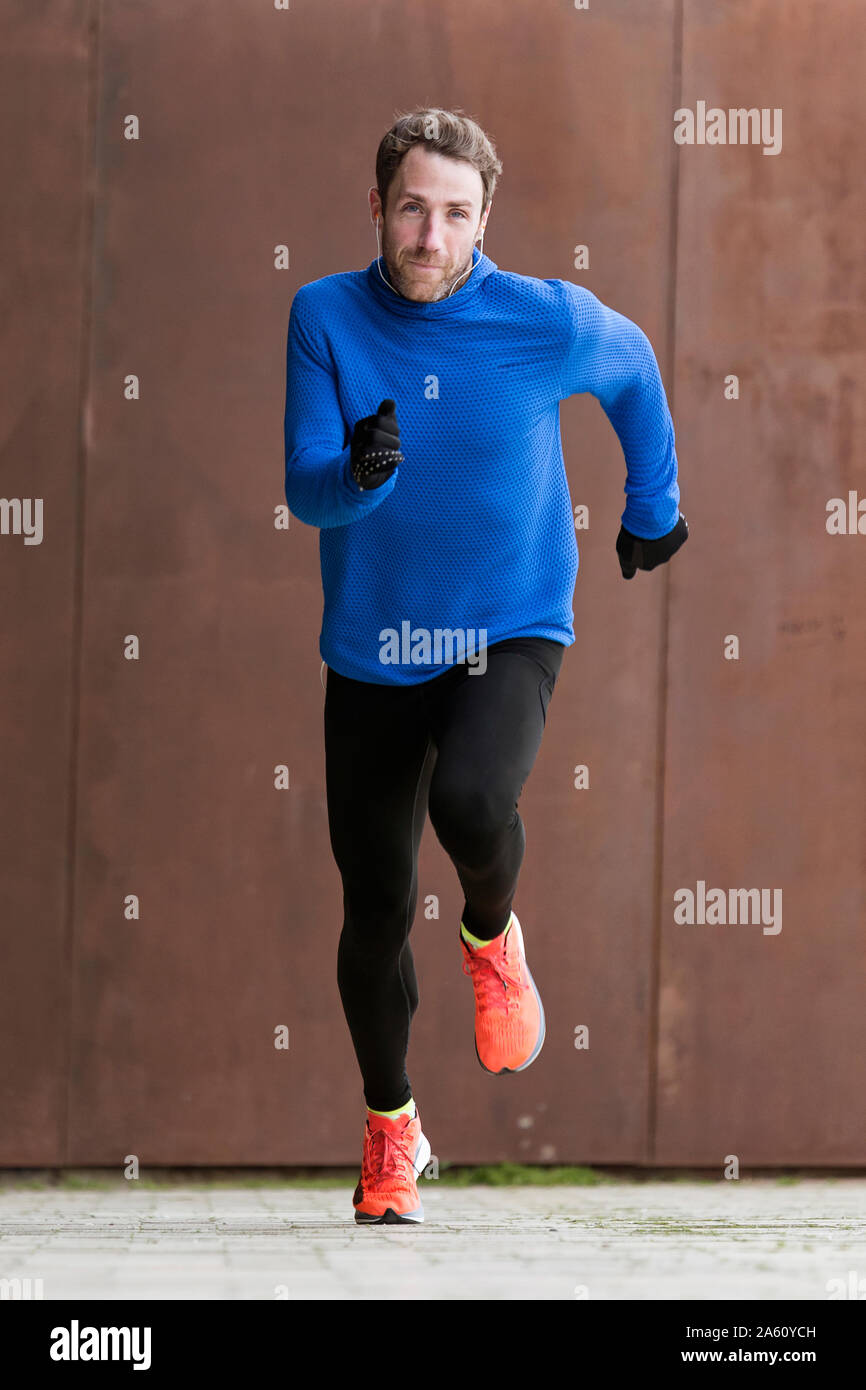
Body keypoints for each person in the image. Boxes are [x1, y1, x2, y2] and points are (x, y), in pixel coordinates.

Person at [283, 106, 688, 1224]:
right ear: (377, 206)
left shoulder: (542, 319)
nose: (432, 236)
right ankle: (391, 1130)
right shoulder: (323, 314)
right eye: (413, 208)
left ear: (484, 218)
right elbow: (307, 485)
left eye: (456, 214)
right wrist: (360, 472)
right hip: (373, 648)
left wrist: (653, 504)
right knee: (373, 906)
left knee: (471, 799)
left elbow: (633, 368)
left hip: (507, 624)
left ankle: (489, 934)